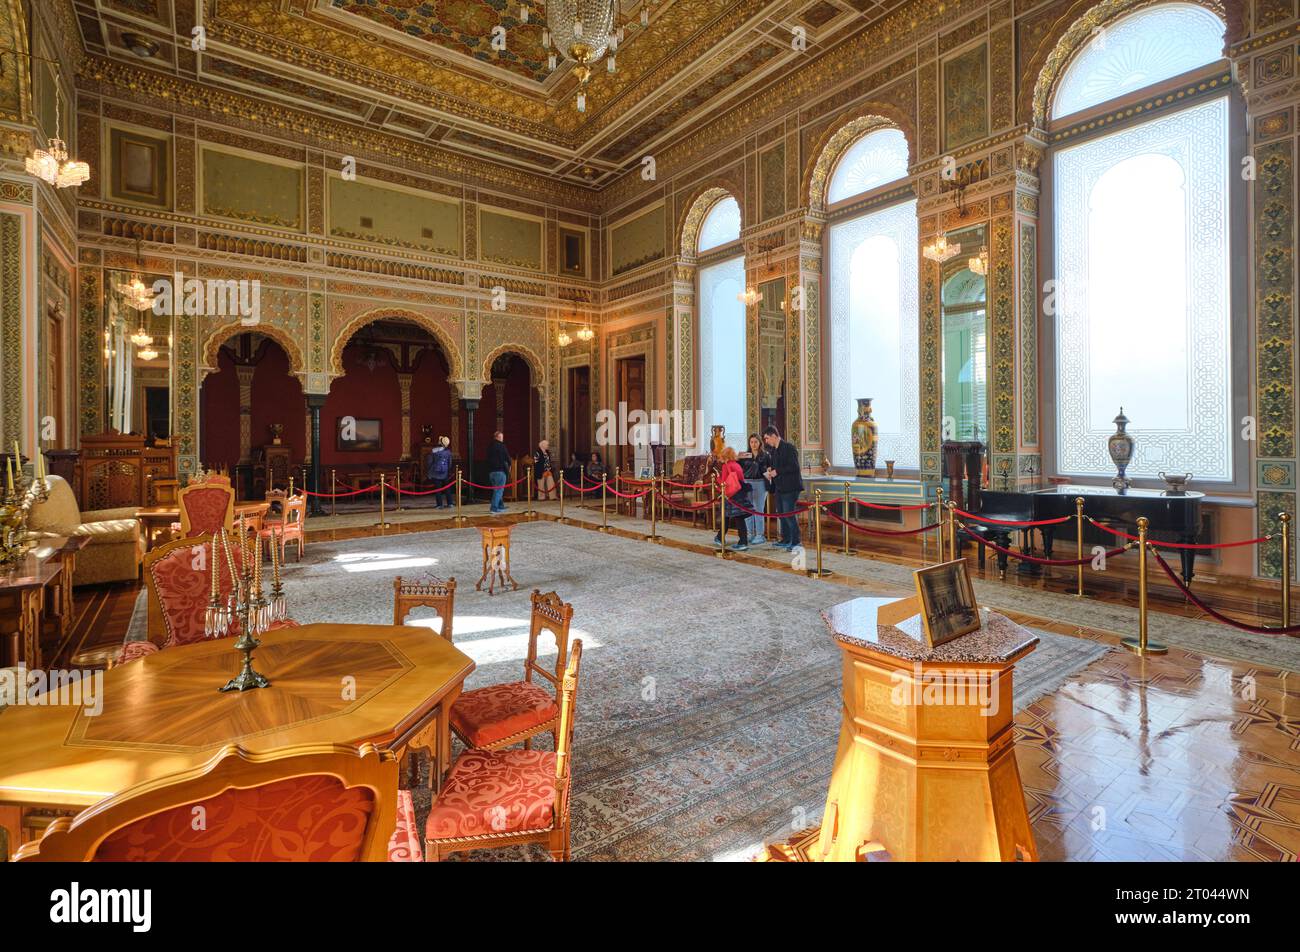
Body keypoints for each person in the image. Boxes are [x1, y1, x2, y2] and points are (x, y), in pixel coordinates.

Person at [762, 425, 803, 549]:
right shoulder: (774, 450)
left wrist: (777, 471)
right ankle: (786, 539)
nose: (766, 441)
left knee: (789, 514)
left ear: (774, 436)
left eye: (767, 438)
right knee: (781, 514)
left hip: (790, 487)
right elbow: (777, 466)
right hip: (780, 487)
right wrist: (771, 470)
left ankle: (796, 542)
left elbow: (794, 467)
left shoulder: (789, 448)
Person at [713, 446, 750, 551]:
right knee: (739, 518)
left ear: (725, 456)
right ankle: (723, 538)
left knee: (727, 517)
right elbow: (741, 480)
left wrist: (717, 478)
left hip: (730, 496)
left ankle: (741, 542)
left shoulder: (726, 466)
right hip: (740, 495)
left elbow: (724, 483)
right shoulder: (737, 465)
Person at [739, 432, 770, 546]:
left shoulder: (765, 455)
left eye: (756, 442)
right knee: (748, 509)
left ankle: (760, 535)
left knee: (758, 509)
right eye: (751, 442)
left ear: (760, 442)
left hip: (760, 483)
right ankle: (750, 533)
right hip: (747, 483)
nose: (753, 444)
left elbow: (769, 470)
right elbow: (738, 469)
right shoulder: (744, 455)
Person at [486, 430, 511, 514]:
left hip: (491, 472)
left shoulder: (489, 446)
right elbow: (507, 457)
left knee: (496, 490)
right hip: (500, 471)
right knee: (499, 490)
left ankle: (500, 505)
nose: (502, 439)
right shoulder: (501, 446)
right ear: (498, 437)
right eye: (501, 437)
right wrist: (510, 464)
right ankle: (494, 508)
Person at [426, 436, 453, 510]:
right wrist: (447, 470)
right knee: (447, 488)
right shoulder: (448, 452)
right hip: (445, 473)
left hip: (436, 473)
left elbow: (429, 462)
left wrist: (429, 470)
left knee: (438, 489)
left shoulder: (433, 451)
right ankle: (450, 503)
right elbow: (450, 463)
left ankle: (439, 505)